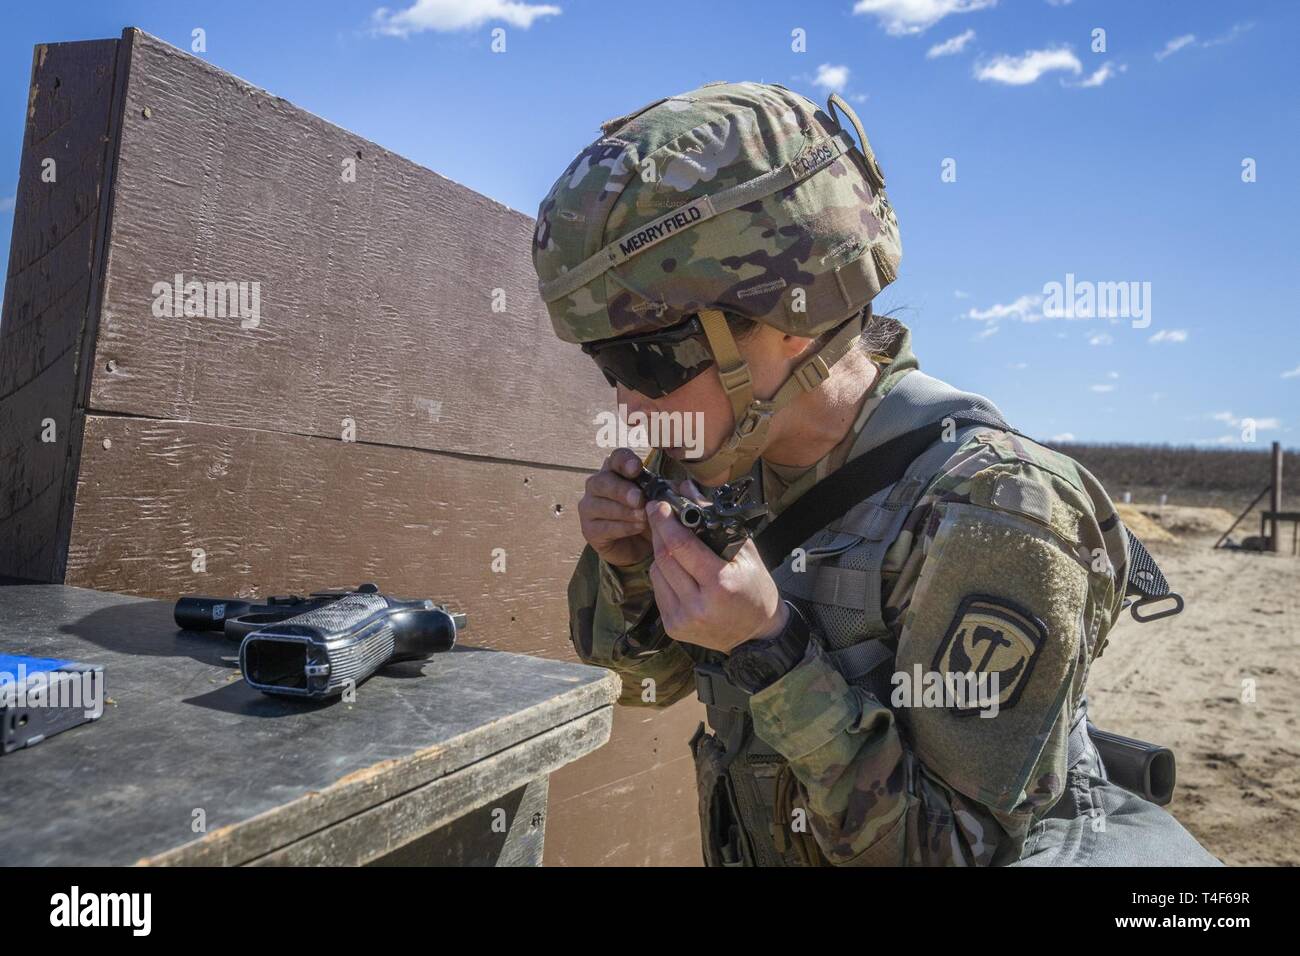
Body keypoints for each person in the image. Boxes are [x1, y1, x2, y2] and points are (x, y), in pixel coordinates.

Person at [531, 81, 1219, 866]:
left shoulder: (1000, 511)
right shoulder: (729, 470)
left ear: (788, 323)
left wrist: (770, 650)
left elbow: (954, 851)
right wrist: (627, 571)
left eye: (646, 359)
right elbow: (642, 685)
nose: (626, 402)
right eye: (604, 365)